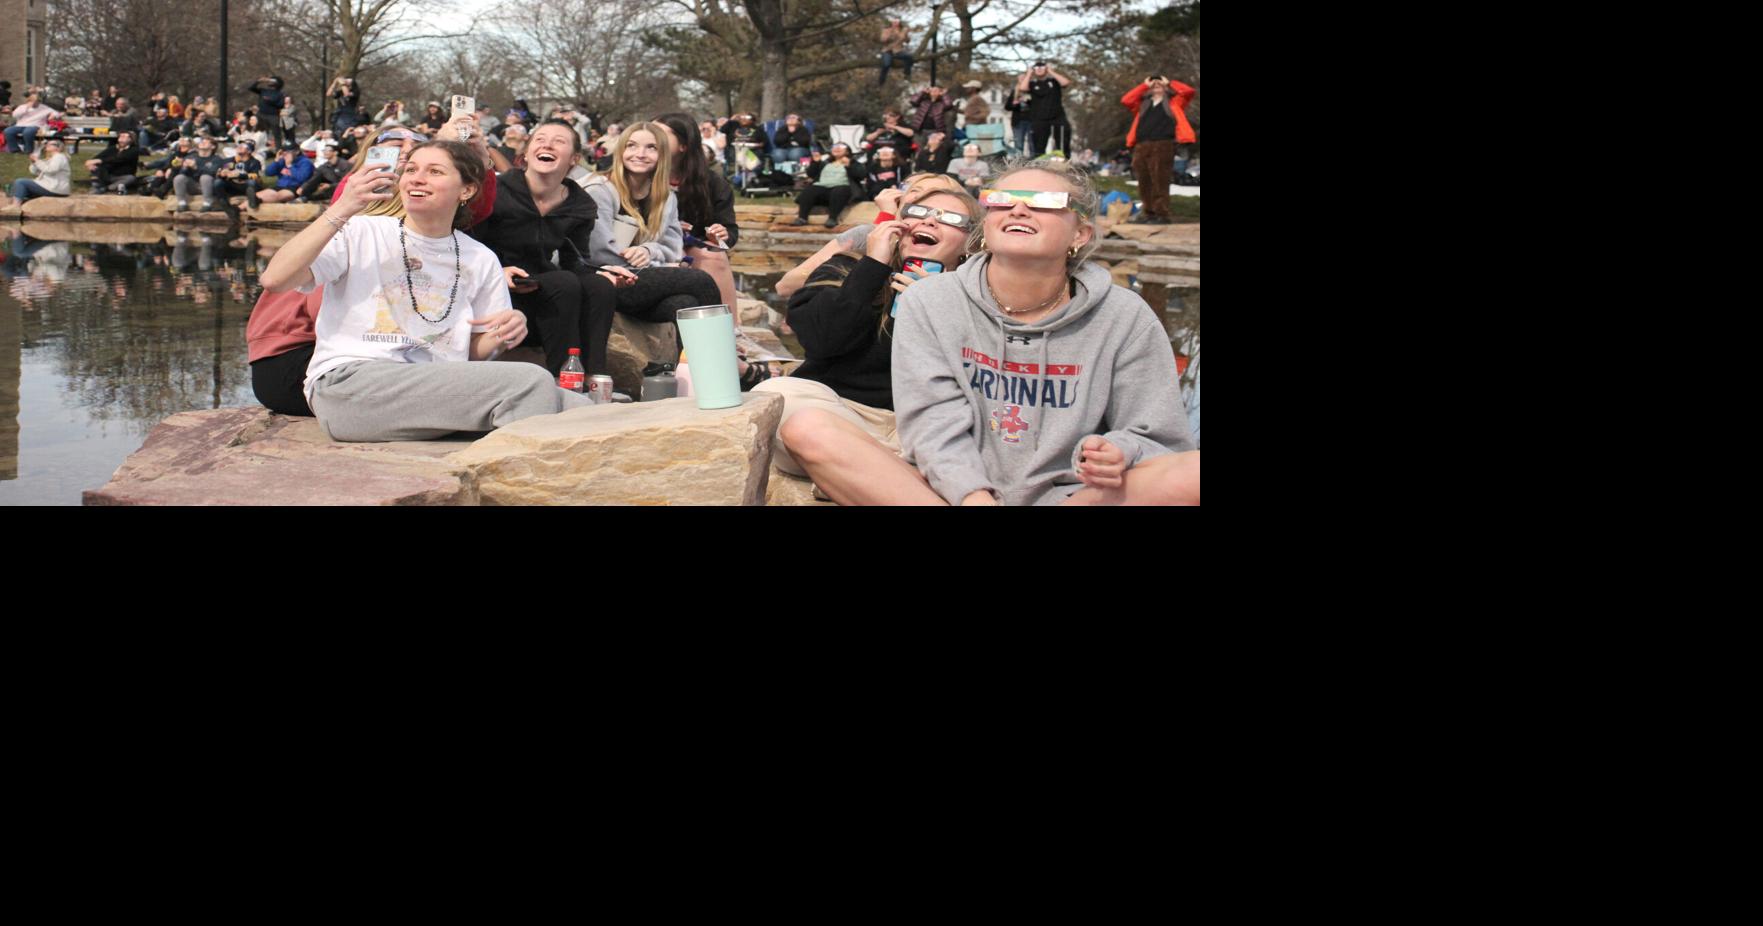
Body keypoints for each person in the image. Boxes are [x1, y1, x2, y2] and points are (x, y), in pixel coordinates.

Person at [887, 159, 1199, 505]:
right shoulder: (930, 300)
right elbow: (932, 425)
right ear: (987, 221)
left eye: (1045, 202)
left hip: (1073, 497)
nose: (1018, 209)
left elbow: (1161, 440)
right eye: (1002, 199)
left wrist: (1119, 450)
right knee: (818, 430)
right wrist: (974, 496)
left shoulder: (1126, 316)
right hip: (952, 493)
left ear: (1080, 234)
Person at [257, 139, 579, 442]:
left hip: (430, 389)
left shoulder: (480, 258)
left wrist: (505, 332)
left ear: (466, 189)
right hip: (350, 386)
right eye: (411, 169)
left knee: (584, 407)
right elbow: (275, 278)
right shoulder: (362, 231)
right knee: (530, 383)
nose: (417, 178)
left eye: (434, 171)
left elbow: (468, 352)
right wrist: (341, 210)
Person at [246, 114, 498, 417]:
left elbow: (471, 209)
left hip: (394, 367)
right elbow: (289, 286)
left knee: (525, 383)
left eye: (417, 149)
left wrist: (480, 157)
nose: (407, 157)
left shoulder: (455, 242)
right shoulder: (359, 221)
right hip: (300, 351)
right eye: (397, 152)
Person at [756, 185, 979, 481]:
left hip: (922, 425)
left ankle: (863, 474)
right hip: (839, 414)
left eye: (950, 218)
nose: (929, 221)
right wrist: (873, 267)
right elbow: (822, 340)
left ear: (970, 243)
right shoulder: (846, 269)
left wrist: (937, 309)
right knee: (775, 396)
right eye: (920, 212)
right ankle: (912, 473)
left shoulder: (977, 296)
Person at [469, 119, 632, 380]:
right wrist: (498, 271)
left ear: (574, 158)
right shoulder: (498, 191)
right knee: (562, 282)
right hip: (497, 290)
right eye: (541, 139)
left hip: (544, 287)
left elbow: (575, 262)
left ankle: (595, 377)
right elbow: (468, 247)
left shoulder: (581, 204)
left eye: (559, 141)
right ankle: (563, 378)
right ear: (526, 153)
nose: (548, 144)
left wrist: (604, 271)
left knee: (598, 286)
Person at [578, 123, 723, 332]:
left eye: (651, 148)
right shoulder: (599, 190)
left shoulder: (665, 197)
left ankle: (683, 364)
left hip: (639, 281)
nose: (640, 154)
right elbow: (599, 255)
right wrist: (655, 265)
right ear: (621, 150)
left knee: (684, 304)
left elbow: (672, 248)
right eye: (632, 146)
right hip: (605, 280)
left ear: (662, 154)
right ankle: (724, 360)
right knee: (700, 280)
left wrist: (648, 250)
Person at [774, 172, 964, 299]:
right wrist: (883, 224)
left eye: (933, 195)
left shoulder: (965, 259)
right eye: (914, 190)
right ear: (900, 198)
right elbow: (785, 286)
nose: (920, 199)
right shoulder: (865, 235)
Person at [654, 111, 742, 312]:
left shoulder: (712, 183)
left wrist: (721, 234)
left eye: (661, 134)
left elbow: (729, 230)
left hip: (691, 244)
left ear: (684, 145)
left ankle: (731, 329)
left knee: (714, 257)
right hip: (649, 244)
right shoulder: (641, 175)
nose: (652, 138)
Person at [1121, 75, 1197, 225]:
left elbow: (1188, 92)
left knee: (1160, 179)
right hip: (1142, 145)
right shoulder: (1143, 104)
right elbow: (1126, 100)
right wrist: (1144, 85)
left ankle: (1162, 214)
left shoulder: (1174, 102)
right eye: (1153, 83)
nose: (1156, 85)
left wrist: (1170, 83)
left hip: (1163, 144)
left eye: (1159, 83)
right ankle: (1148, 212)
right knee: (1144, 179)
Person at [791, 142, 866, 227]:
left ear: (847, 151)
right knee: (810, 190)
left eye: (841, 147)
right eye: (834, 146)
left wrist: (849, 166)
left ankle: (832, 218)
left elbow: (861, 175)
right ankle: (802, 218)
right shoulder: (825, 163)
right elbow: (811, 174)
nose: (837, 148)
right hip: (823, 188)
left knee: (839, 190)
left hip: (842, 190)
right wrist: (816, 162)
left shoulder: (853, 163)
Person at [1017, 61, 1073, 157]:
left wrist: (1050, 71)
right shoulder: (1032, 84)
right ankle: (1040, 165)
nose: (1039, 69)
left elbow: (1066, 82)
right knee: (1039, 146)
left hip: (1057, 116)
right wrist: (1029, 73)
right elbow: (1022, 88)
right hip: (1039, 118)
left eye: (1042, 67)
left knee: (1063, 141)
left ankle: (1065, 162)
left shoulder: (1054, 82)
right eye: (1037, 67)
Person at [171, 135, 229, 211]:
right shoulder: (191, 156)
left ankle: (208, 203)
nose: (202, 143)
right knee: (179, 178)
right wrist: (183, 167)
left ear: (213, 147)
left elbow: (212, 173)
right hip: (193, 186)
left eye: (206, 142)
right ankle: (182, 203)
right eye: (202, 141)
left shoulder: (216, 159)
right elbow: (182, 173)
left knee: (205, 177)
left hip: (209, 187)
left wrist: (196, 167)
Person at [6, 138, 70, 207]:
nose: (47, 145)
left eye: (51, 144)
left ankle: (15, 206)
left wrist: (37, 160)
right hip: (48, 187)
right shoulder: (50, 159)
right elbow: (33, 171)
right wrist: (34, 162)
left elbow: (51, 170)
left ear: (58, 148)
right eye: (47, 143)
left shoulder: (59, 157)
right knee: (12, 186)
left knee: (20, 182)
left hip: (55, 188)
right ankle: (14, 204)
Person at [248, 76, 287, 145]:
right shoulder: (264, 91)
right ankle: (254, 146)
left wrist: (269, 101)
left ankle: (278, 150)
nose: (270, 82)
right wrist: (259, 81)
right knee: (258, 131)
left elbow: (281, 105)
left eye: (272, 81)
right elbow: (251, 88)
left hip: (273, 116)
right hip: (261, 114)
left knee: (276, 134)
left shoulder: (280, 94)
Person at [878, 18, 914, 86]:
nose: (895, 24)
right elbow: (882, 40)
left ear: (899, 23)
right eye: (894, 22)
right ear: (891, 23)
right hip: (888, 50)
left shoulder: (902, 30)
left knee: (909, 57)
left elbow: (907, 41)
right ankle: (881, 80)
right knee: (886, 64)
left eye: (897, 22)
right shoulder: (886, 30)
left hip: (898, 50)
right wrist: (890, 34)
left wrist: (906, 34)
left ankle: (907, 75)